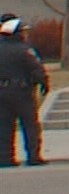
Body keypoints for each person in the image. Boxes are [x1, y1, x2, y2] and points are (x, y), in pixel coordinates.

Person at [0, 14, 50, 166]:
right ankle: (33, 156)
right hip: (22, 92)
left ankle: (5, 157)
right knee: (29, 125)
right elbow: (36, 69)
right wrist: (44, 83)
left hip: (2, 92)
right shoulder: (24, 50)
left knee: (4, 126)